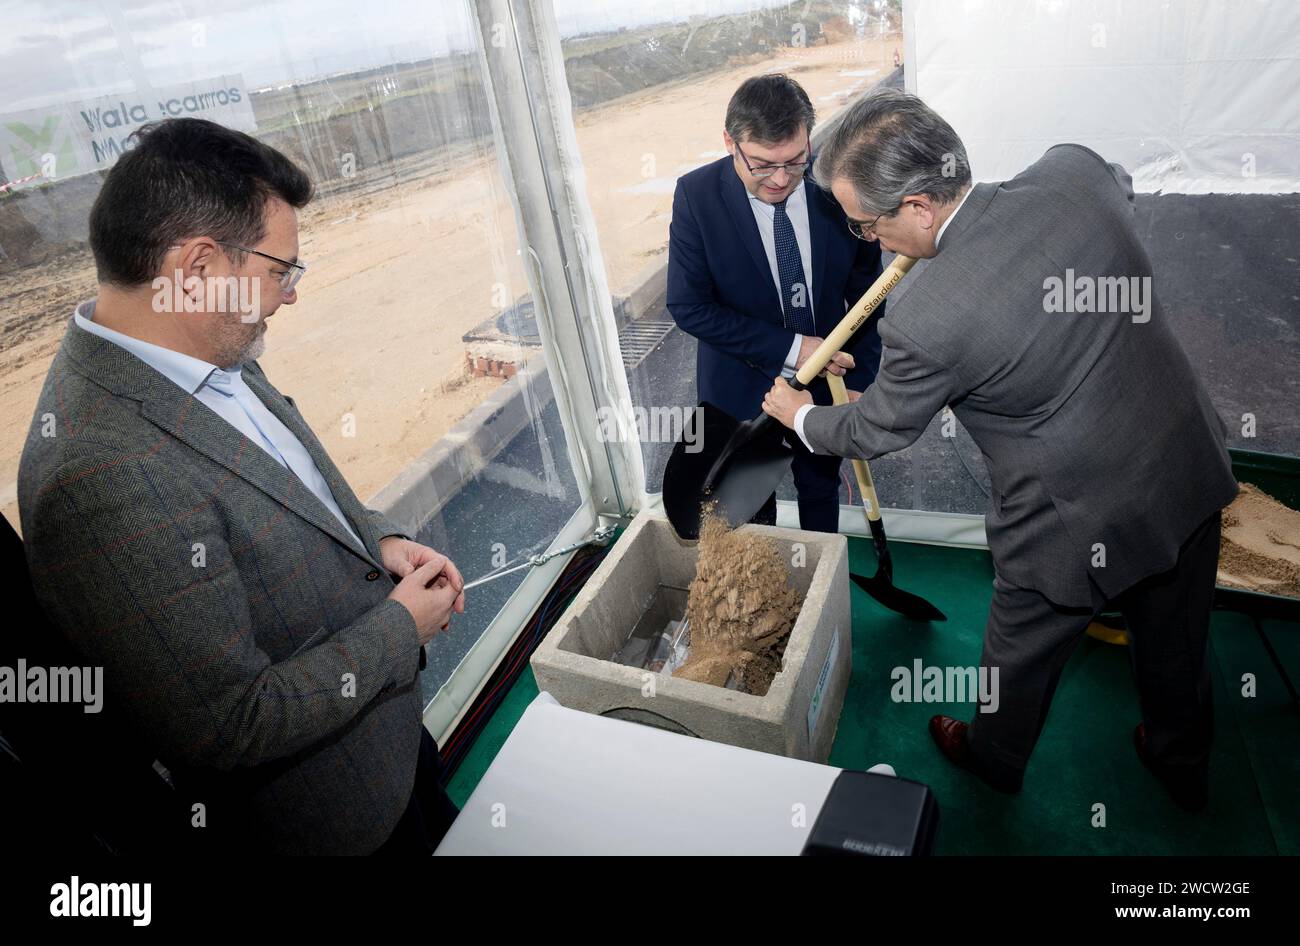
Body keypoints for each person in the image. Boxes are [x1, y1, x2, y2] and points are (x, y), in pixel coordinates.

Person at [762, 89, 1236, 810]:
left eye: (868, 226)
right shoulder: (1074, 173)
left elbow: (877, 430)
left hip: (1070, 520)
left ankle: (991, 757)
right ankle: (1181, 758)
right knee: (1176, 637)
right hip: (1183, 461)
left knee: (1017, 654)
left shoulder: (923, 317)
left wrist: (800, 416)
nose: (875, 244)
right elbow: (1119, 186)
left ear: (919, 207)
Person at [18, 117, 465, 853]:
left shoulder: (204, 338)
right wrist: (398, 628)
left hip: (391, 754)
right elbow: (228, 724)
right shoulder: (97, 476)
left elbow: (286, 480)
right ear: (196, 269)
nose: (289, 295)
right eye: (280, 269)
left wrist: (375, 536)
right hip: (339, 829)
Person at [667, 74, 885, 532]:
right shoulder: (697, 196)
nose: (782, 180)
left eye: (795, 161)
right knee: (745, 510)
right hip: (738, 391)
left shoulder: (837, 184)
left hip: (828, 384)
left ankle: (822, 591)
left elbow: (867, 294)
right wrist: (795, 349)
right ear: (730, 142)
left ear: (809, 138)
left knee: (820, 486)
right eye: (763, 165)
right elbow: (688, 306)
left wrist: (862, 376)